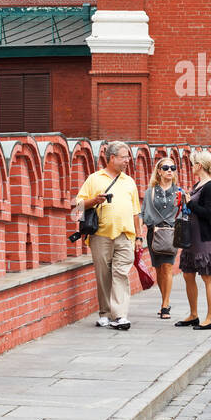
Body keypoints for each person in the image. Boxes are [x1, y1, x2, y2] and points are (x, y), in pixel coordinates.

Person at [75, 141, 143, 331]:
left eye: (128, 157)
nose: (127, 161)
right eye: (124, 157)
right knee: (103, 275)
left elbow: (136, 212)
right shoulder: (94, 179)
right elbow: (77, 207)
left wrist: (139, 237)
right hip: (101, 236)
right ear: (112, 158)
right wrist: (94, 201)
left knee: (120, 273)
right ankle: (105, 313)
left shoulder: (129, 181)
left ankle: (120, 315)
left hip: (125, 235)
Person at [174, 151, 211, 329]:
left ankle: (210, 318)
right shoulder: (198, 184)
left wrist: (189, 202)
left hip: (203, 237)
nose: (191, 167)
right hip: (190, 236)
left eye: (193, 164)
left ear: (199, 166)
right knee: (188, 274)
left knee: (207, 276)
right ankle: (193, 314)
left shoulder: (210, 187)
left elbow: (208, 214)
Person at [141, 155, 184, 320]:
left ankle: (165, 304)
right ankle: (164, 299)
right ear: (158, 171)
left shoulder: (179, 192)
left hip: (173, 233)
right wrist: (140, 233)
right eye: (165, 168)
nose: (169, 171)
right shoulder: (150, 192)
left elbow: (185, 213)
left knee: (167, 267)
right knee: (158, 269)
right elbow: (144, 213)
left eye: (172, 168)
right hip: (154, 233)